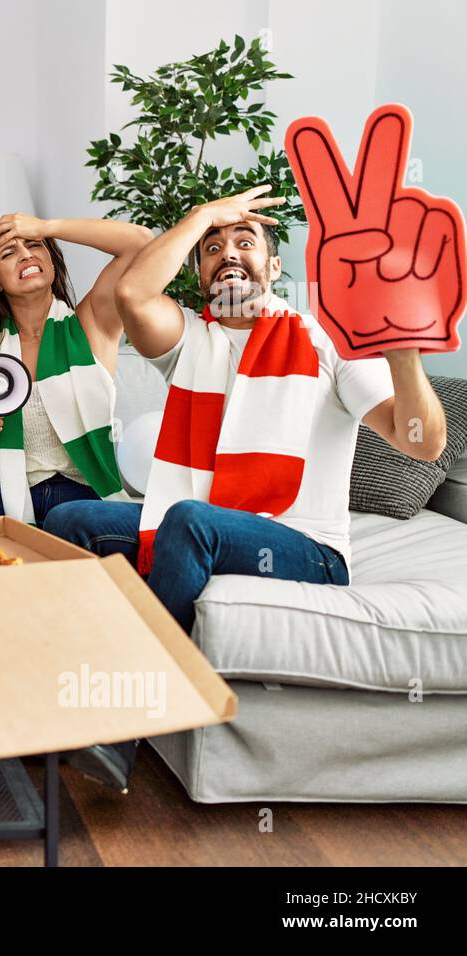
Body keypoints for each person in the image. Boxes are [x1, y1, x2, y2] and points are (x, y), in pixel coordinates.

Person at [43, 185, 447, 791]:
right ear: (197, 270)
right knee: (71, 521)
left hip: (306, 547)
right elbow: (132, 291)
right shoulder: (188, 341)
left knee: (187, 520)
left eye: (245, 241)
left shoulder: (324, 342)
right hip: (213, 526)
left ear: (275, 265)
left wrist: (405, 358)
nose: (228, 252)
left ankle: (124, 722)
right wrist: (205, 213)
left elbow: (420, 441)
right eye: (212, 248)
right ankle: (59, 689)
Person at [0, 214, 153, 523]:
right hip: (7, 494)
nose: (26, 255)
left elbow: (140, 243)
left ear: (52, 261)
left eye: (35, 245)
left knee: (67, 520)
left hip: (83, 494)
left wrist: (46, 227)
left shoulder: (90, 323)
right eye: (9, 253)